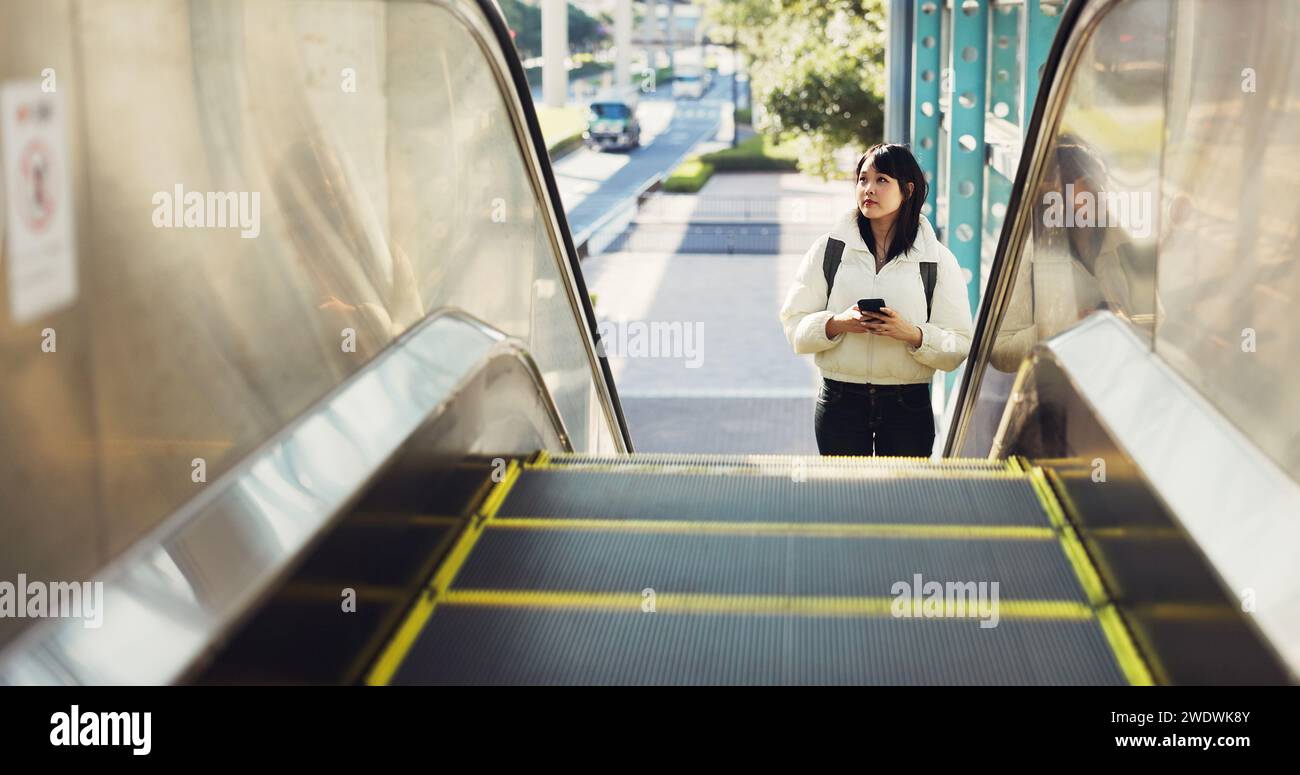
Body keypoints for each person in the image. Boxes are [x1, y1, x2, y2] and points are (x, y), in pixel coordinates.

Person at [779, 143, 973, 456]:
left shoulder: (937, 260)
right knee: (844, 499)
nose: (869, 188)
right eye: (863, 179)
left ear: (908, 189)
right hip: (840, 401)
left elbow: (958, 345)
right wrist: (837, 323)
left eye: (882, 180)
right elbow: (794, 326)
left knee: (901, 501)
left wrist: (911, 334)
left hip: (907, 405)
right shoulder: (829, 250)